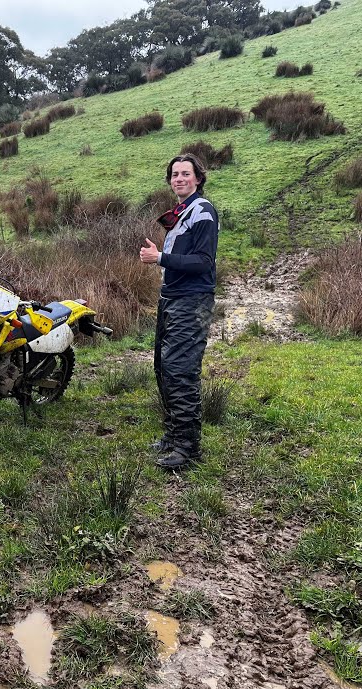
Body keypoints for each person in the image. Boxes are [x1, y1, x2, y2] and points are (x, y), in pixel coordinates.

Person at [139, 153, 218, 471]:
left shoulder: (203, 212)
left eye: (186, 173)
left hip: (192, 301)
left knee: (181, 371)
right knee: (165, 368)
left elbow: (203, 262)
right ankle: (174, 436)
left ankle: (188, 448)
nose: (179, 179)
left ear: (198, 178)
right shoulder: (180, 213)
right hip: (170, 299)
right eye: (175, 174)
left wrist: (159, 258)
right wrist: (159, 256)